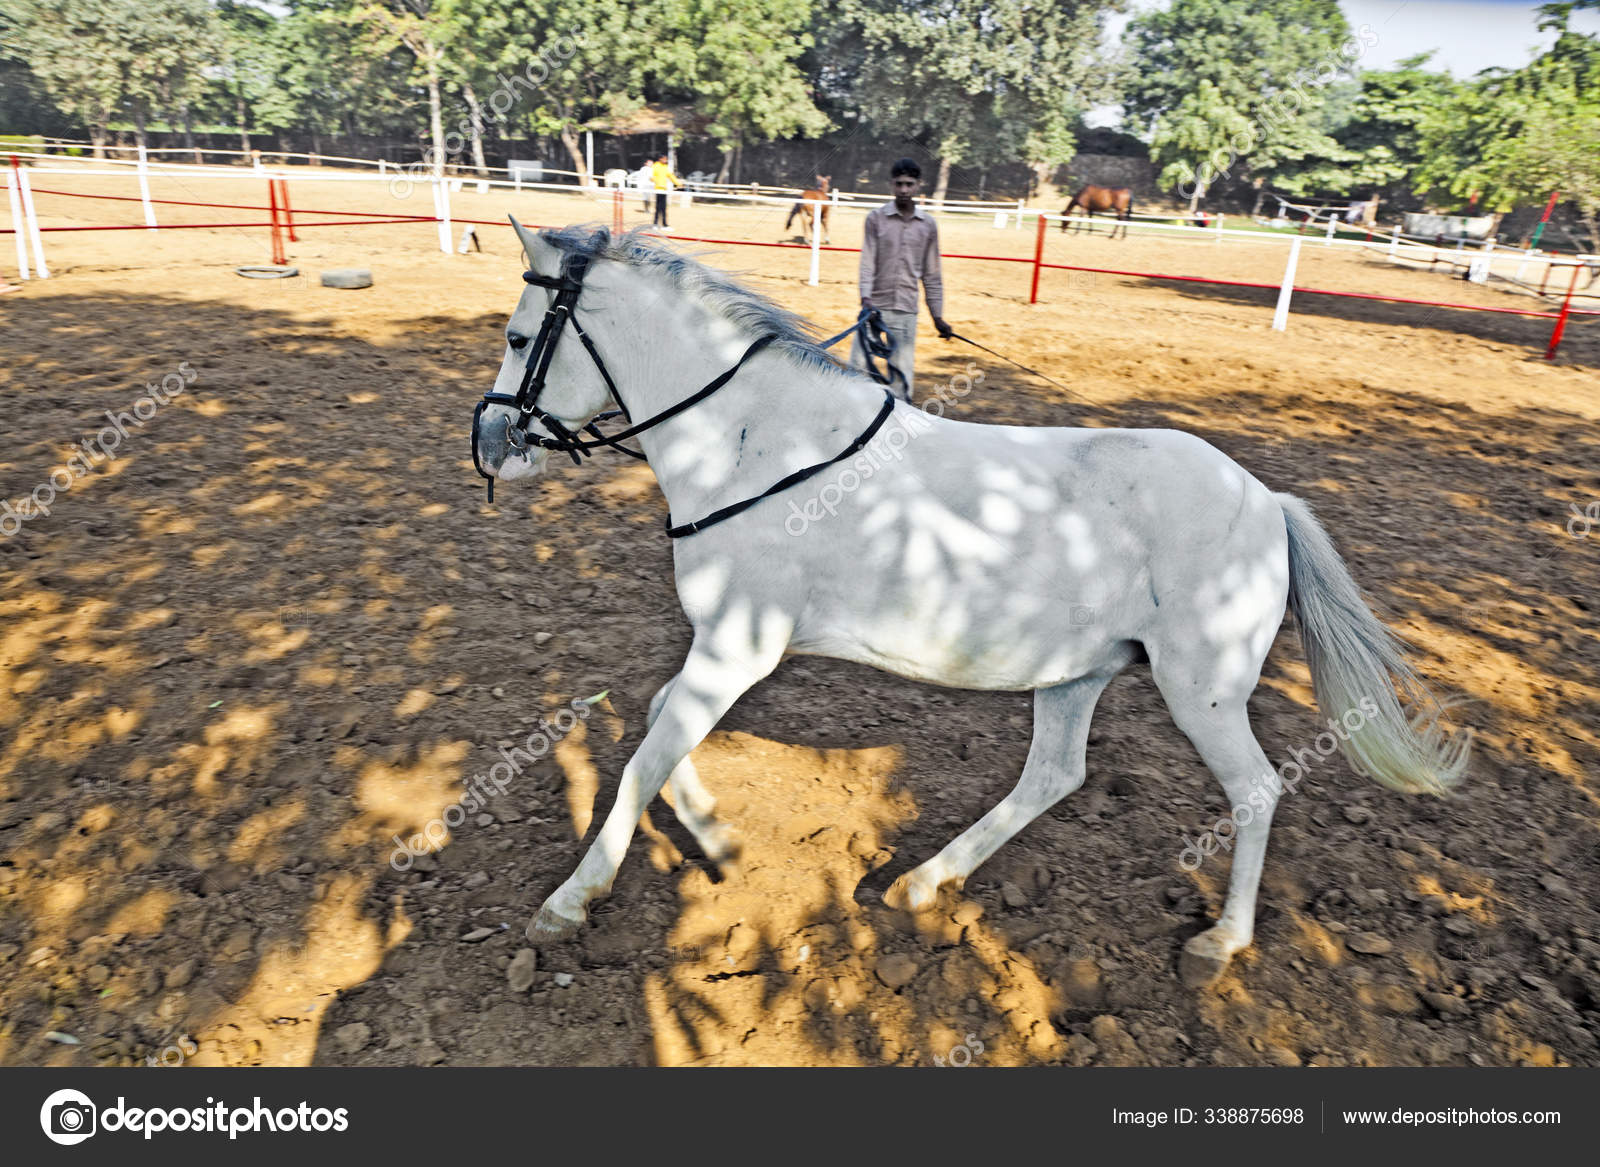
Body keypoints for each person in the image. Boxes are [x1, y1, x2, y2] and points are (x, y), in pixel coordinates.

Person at [853, 157, 953, 402]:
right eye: (899, 184)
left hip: (907, 309)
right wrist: (866, 298)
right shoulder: (876, 219)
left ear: (919, 185)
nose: (904, 190)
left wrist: (937, 316)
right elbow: (867, 262)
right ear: (891, 185)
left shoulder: (928, 225)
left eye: (909, 184)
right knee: (856, 370)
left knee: (902, 376)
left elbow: (932, 273)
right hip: (874, 307)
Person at [649, 154, 680, 229]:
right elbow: (651, 177)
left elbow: (671, 176)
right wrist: (658, 183)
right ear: (660, 159)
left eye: (666, 159)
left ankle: (664, 224)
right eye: (664, 159)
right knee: (658, 208)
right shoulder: (655, 166)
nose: (665, 160)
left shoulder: (666, 167)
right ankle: (655, 224)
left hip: (664, 190)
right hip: (658, 189)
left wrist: (678, 183)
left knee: (664, 208)